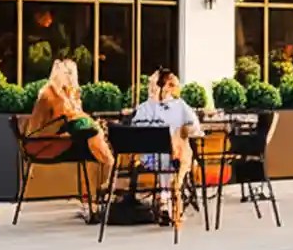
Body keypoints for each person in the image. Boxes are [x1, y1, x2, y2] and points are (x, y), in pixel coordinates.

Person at [130, 68, 204, 224]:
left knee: (171, 155)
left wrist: (183, 130)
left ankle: (166, 201)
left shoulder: (180, 105)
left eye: (155, 83)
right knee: (164, 156)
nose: (151, 87)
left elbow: (196, 129)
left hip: (179, 155)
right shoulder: (145, 108)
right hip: (151, 157)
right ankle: (168, 201)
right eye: (151, 84)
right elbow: (135, 133)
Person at [24, 59, 114, 187]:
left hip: (55, 141)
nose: (71, 78)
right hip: (44, 144)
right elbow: (66, 120)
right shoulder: (51, 94)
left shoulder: (67, 94)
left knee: (92, 132)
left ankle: (103, 180)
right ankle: (104, 177)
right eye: (68, 74)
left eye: (71, 74)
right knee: (91, 134)